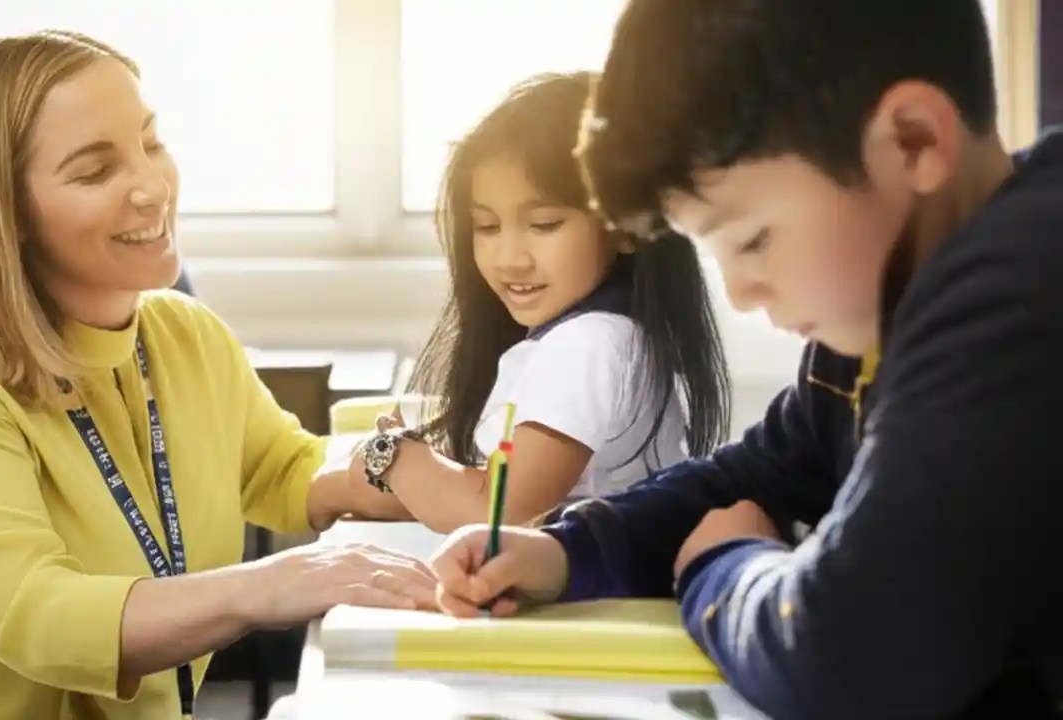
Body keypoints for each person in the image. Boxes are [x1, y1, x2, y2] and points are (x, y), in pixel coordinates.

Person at [430, 0, 1063, 717]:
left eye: (754, 239)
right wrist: (565, 554)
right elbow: (762, 475)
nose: (739, 291)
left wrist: (719, 568)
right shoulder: (881, 321)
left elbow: (848, 657)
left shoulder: (1025, 290)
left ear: (913, 142)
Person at [0, 31, 433, 719]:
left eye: (150, 143)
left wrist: (412, 462)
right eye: (94, 170)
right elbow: (35, 614)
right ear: (6, 212)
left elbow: (282, 469)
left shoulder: (182, 333)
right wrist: (272, 585)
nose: (150, 186)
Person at [348, 72, 730, 533]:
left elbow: (501, 510)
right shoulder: (600, 334)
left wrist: (393, 453)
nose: (510, 259)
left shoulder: (589, 343)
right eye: (487, 227)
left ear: (626, 226)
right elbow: (473, 491)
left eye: (545, 224)